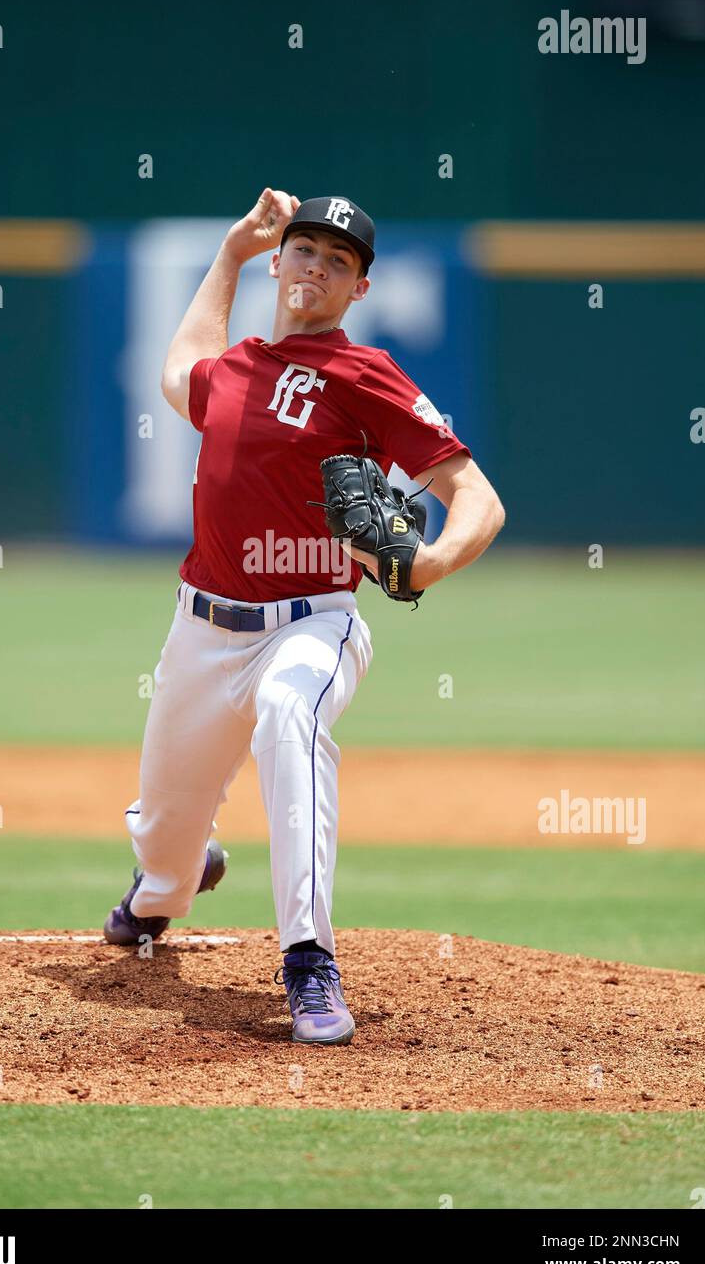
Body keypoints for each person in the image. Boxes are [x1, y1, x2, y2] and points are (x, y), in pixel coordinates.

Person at [104, 190, 505, 1046]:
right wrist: (229, 254)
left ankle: (310, 962)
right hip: (200, 629)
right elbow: (179, 372)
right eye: (304, 251)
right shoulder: (237, 367)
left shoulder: (368, 377)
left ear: (358, 289)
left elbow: (476, 498)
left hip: (313, 623)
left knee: (291, 714)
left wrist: (430, 562)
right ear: (280, 263)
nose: (316, 268)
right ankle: (165, 885)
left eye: (339, 261)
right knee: (168, 854)